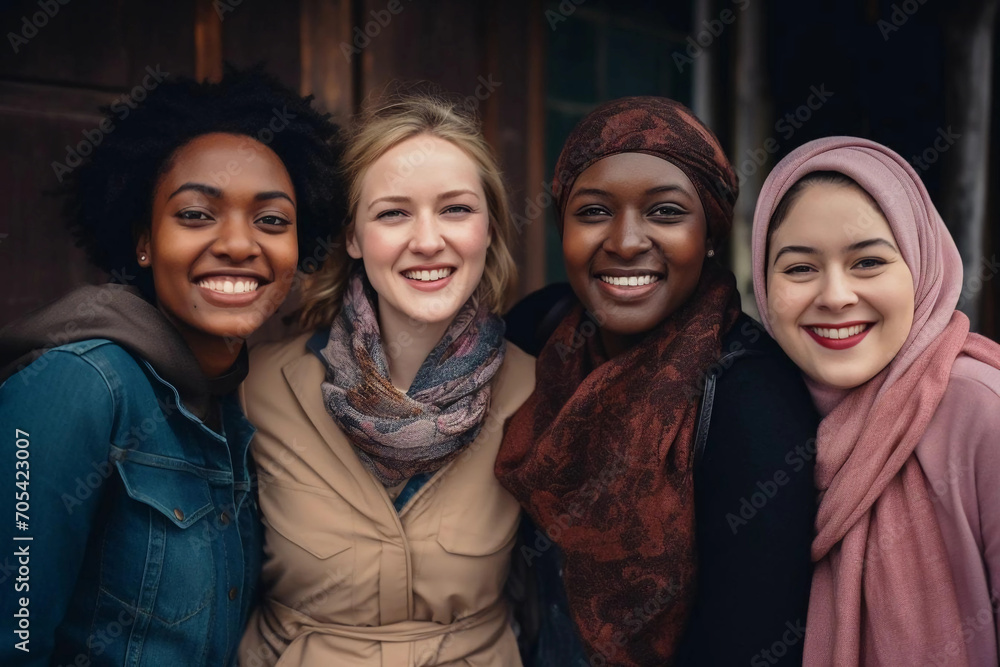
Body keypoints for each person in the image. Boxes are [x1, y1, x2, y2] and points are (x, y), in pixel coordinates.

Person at [0, 67, 346, 666]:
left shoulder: (236, 405)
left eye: (271, 221)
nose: (240, 244)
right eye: (195, 214)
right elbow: (15, 635)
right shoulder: (77, 386)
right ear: (144, 239)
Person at [496, 96, 818, 666]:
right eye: (593, 211)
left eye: (666, 212)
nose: (624, 241)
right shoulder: (537, 332)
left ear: (712, 232)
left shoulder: (753, 398)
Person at [238, 92, 534, 666]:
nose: (427, 240)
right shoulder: (259, 390)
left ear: (490, 227)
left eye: (455, 209)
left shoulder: (538, 392)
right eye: (393, 212)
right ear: (352, 237)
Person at [751, 136, 1000, 666]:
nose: (836, 296)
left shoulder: (980, 411)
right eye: (799, 268)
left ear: (921, 266)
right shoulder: (755, 416)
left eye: (867, 262)